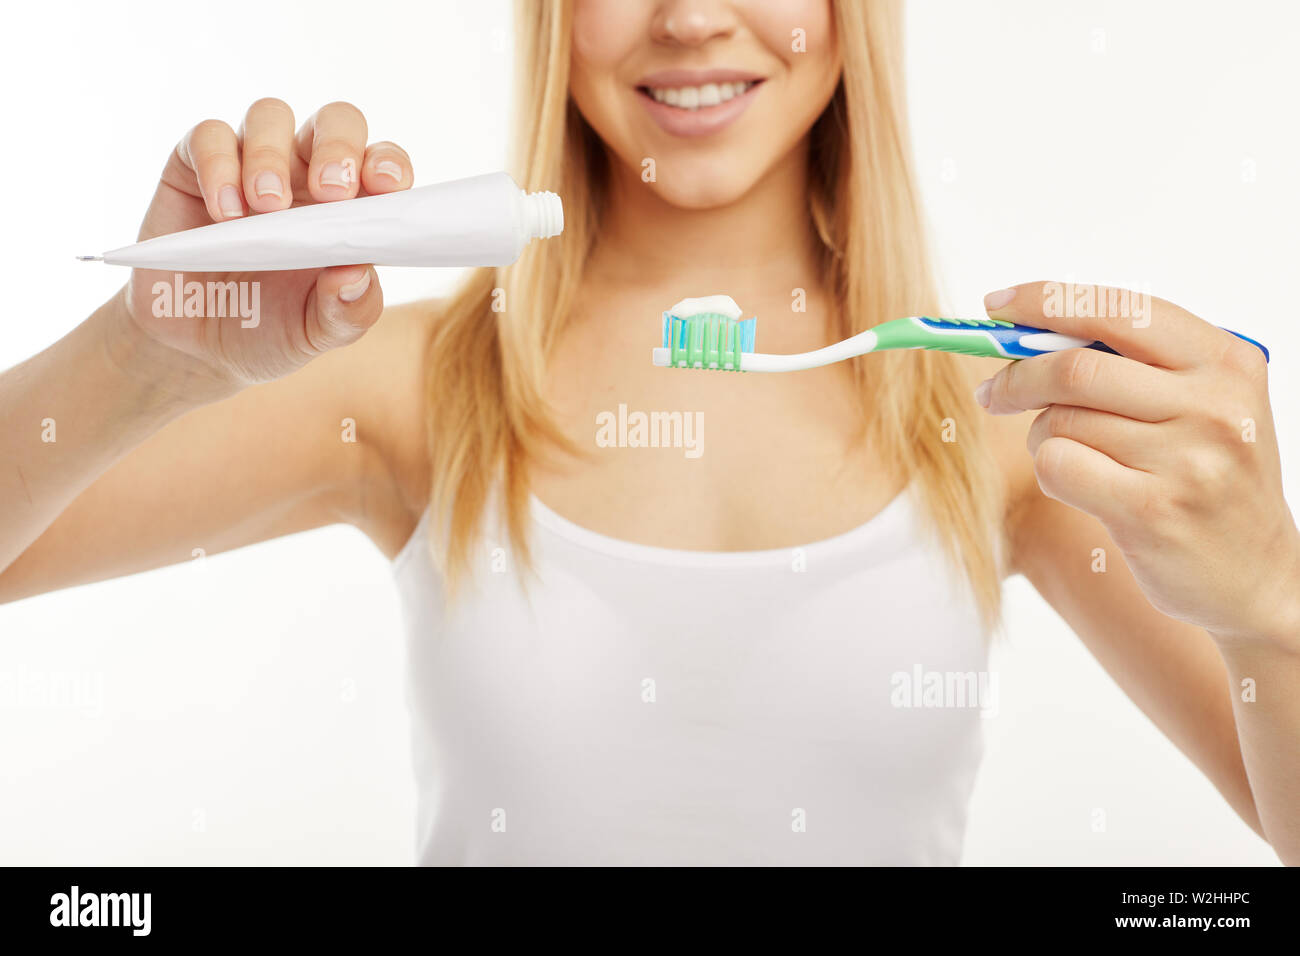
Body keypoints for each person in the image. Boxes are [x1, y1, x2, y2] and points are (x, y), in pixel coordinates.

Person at [2, 0, 1297, 865]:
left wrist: (1270, 609)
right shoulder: (405, 383)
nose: (687, 16)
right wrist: (141, 355)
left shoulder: (1009, 416)